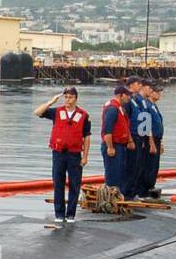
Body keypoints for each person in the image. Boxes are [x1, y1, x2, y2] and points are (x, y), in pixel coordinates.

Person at [34, 87, 90, 224]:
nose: (67, 100)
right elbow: (37, 112)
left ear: (76, 98)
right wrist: (51, 101)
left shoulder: (83, 115)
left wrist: (85, 156)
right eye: (66, 97)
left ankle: (71, 214)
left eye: (70, 97)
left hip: (74, 154)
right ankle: (59, 214)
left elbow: (87, 137)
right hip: (58, 154)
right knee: (58, 183)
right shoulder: (56, 112)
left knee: (74, 184)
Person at [101, 85, 135, 196]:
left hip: (121, 145)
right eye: (127, 95)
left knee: (120, 172)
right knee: (113, 174)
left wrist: (129, 140)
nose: (129, 98)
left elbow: (125, 125)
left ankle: (118, 195)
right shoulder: (112, 109)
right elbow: (107, 130)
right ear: (121, 95)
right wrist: (110, 147)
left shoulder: (120, 108)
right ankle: (110, 198)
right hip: (114, 145)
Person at [139, 83, 166, 197]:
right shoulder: (147, 106)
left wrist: (161, 142)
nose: (160, 94)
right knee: (148, 165)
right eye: (157, 92)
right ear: (152, 93)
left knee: (154, 166)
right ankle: (143, 190)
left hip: (157, 139)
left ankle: (150, 186)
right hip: (151, 139)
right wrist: (151, 143)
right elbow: (146, 127)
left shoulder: (154, 106)